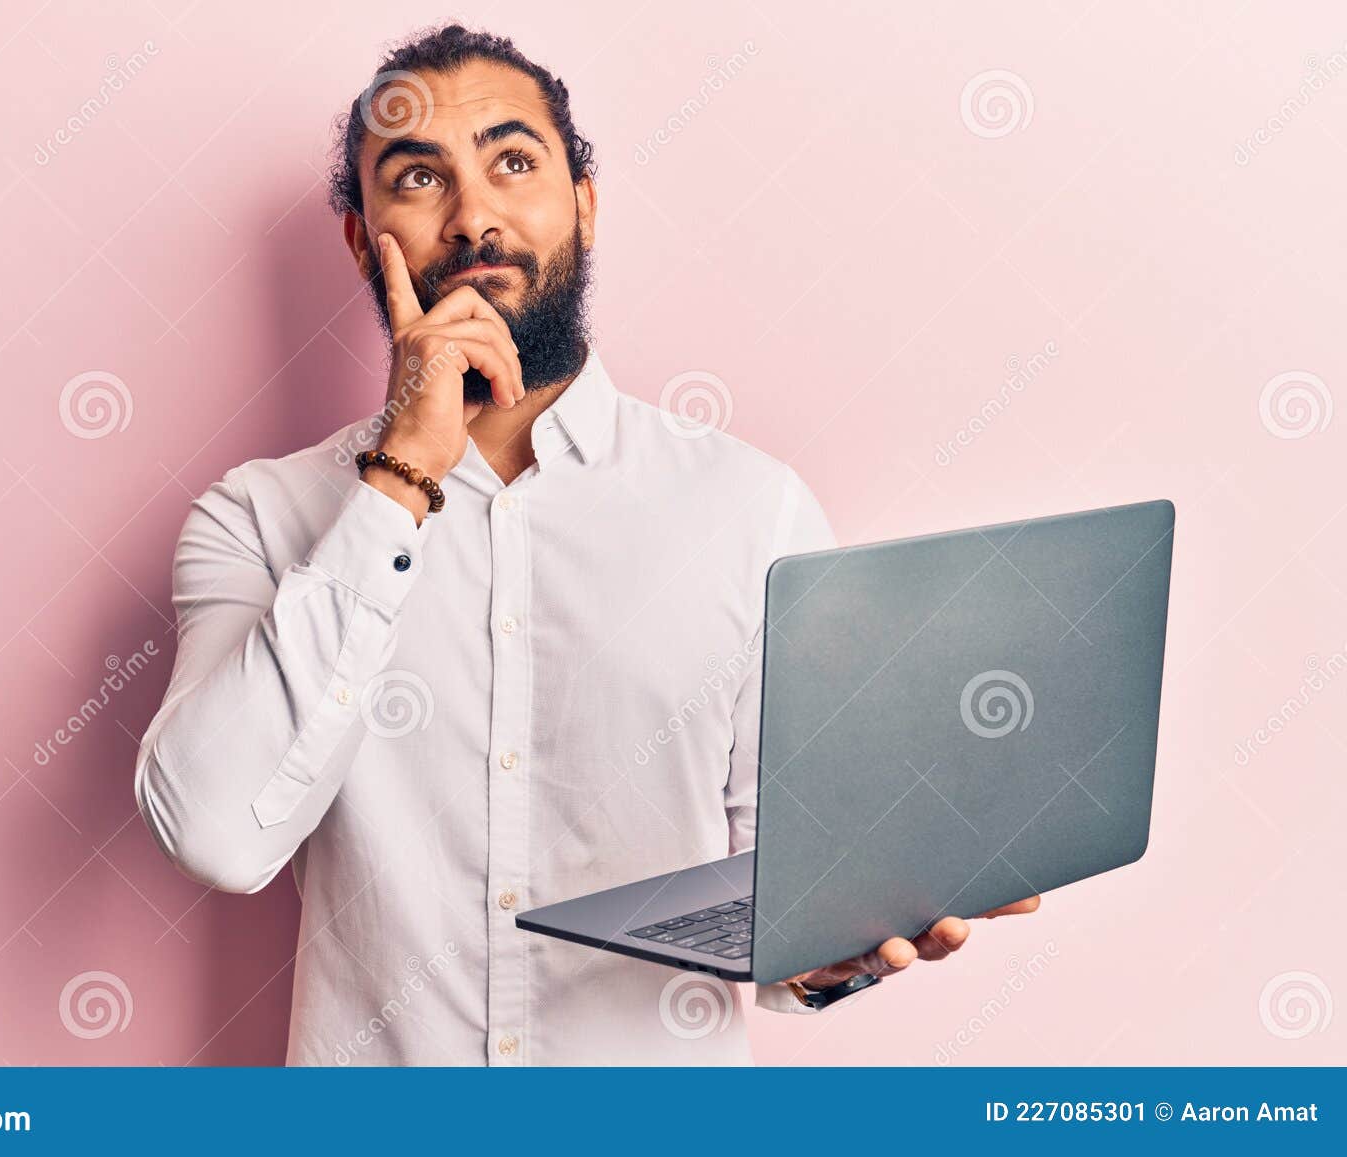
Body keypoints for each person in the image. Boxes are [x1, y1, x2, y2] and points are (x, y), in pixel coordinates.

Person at [133, 23, 1038, 1065]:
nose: (474, 216)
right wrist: (399, 480)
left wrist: (843, 948)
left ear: (583, 205)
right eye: (420, 178)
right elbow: (216, 832)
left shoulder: (752, 510)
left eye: (513, 162)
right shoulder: (258, 516)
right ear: (361, 239)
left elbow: (779, 899)